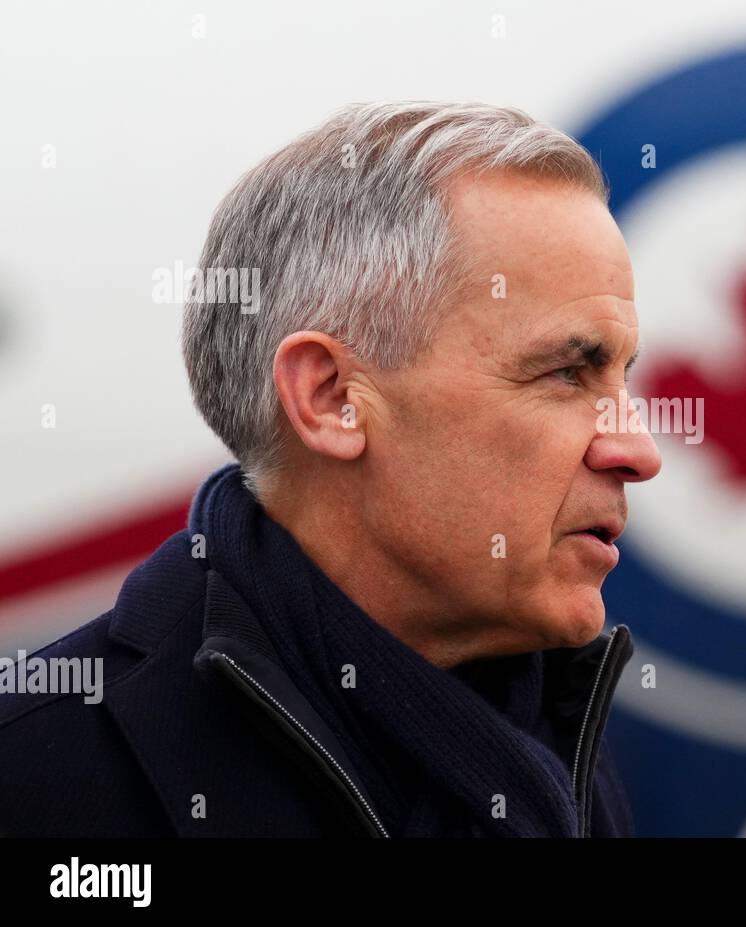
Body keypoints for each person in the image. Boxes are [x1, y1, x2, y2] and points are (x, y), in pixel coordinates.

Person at [0, 102, 661, 837]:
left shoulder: (559, 743)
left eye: (624, 378)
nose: (638, 451)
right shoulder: (39, 779)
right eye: (569, 373)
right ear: (332, 397)